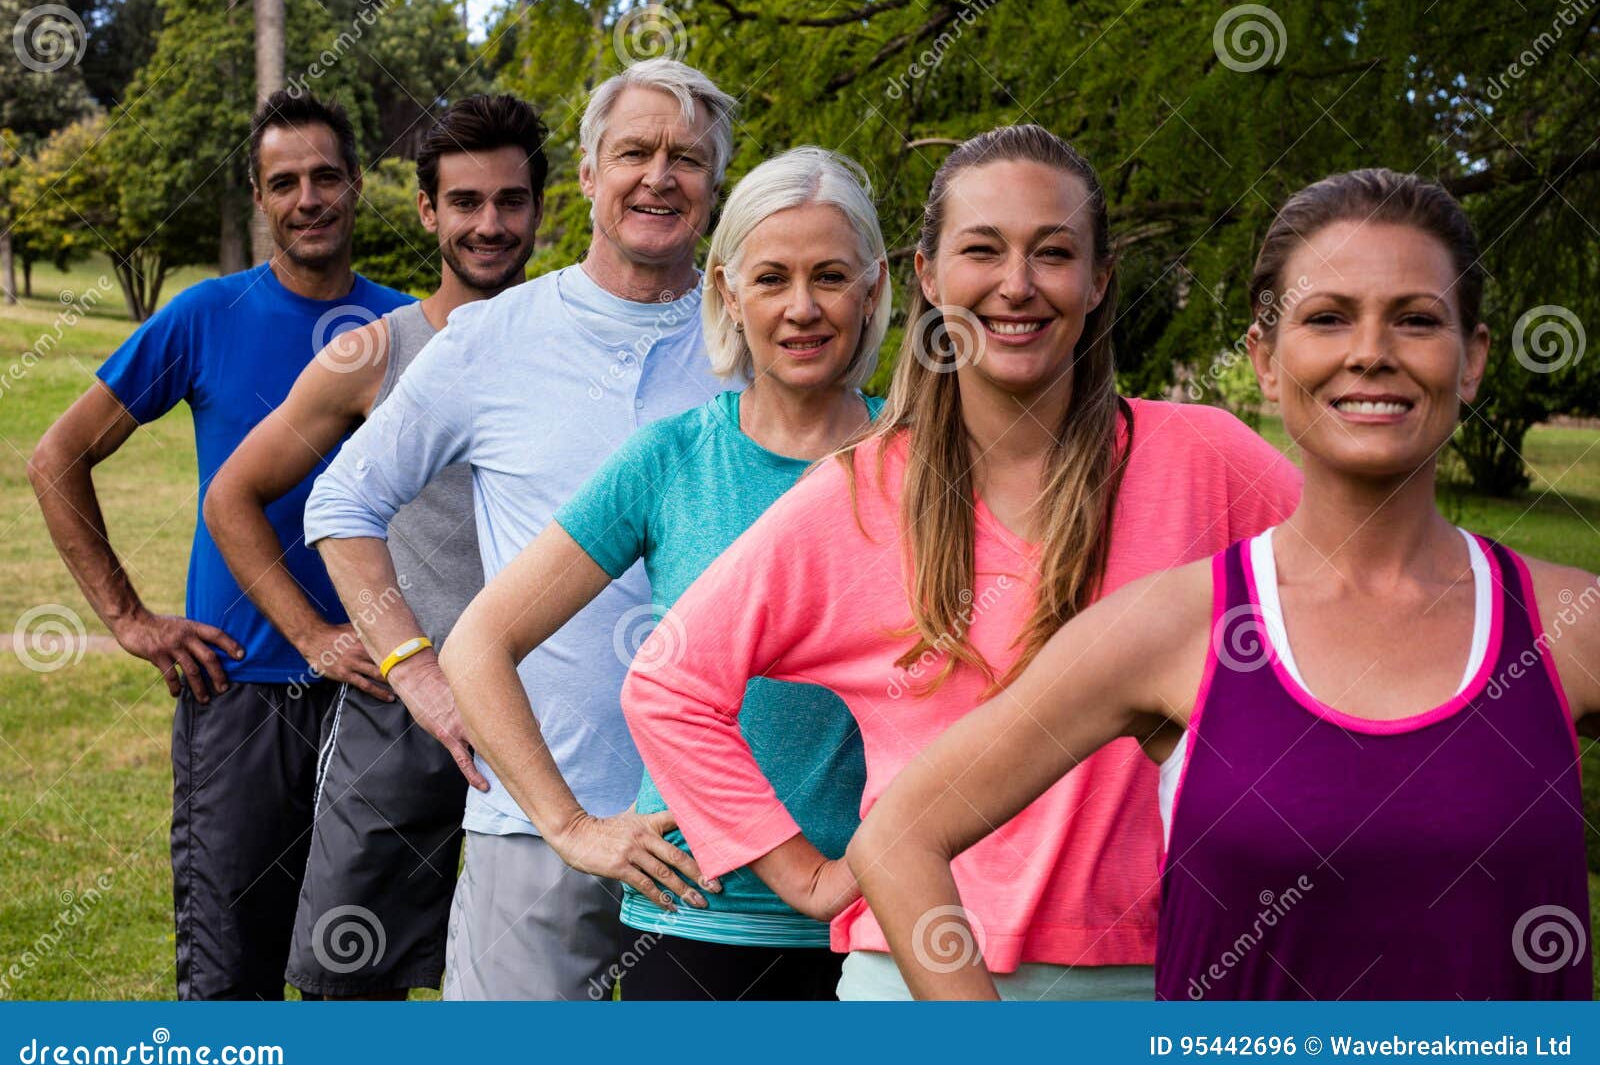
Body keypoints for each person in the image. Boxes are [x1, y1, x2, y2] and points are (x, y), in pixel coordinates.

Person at [850, 168, 1600, 1000]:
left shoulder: (1570, 625)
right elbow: (899, 836)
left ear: (1473, 359)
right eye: (1327, 318)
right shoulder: (1169, 627)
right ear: (1266, 361)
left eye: (1417, 320)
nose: (1371, 352)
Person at [620, 124, 1303, 1001]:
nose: (1017, 285)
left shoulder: (1207, 459)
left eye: (1053, 252)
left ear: (1099, 280)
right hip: (913, 974)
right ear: (929, 278)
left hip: (1159, 968)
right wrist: (812, 878)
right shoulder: (859, 494)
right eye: (983, 250)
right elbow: (669, 686)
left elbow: (1371, 607)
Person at [302, 58, 737, 1001]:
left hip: (723, 815)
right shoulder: (493, 338)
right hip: (535, 810)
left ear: (715, 186)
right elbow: (341, 505)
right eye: (634, 152)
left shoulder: (757, 338)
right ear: (586, 175)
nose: (659, 176)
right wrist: (415, 668)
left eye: (688, 159)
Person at [443, 147, 891, 1001]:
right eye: (771, 278)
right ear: (726, 291)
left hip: (881, 921)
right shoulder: (673, 458)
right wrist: (571, 826)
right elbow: (478, 642)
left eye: (830, 277)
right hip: (696, 924)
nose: (802, 308)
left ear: (871, 290)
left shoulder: (919, 458)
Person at [27, 92, 413, 1000]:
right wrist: (127, 616)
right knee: (228, 975)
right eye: (285, 182)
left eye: (326, 176)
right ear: (258, 197)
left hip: (379, 697)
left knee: (355, 982)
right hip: (239, 694)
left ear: (358, 185)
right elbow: (57, 459)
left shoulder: (407, 331)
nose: (308, 197)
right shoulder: (205, 315)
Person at [204, 95, 548, 999]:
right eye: (464, 202)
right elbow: (232, 496)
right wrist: (317, 636)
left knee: (536, 983)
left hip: (546, 708)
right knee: (342, 978)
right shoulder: (373, 354)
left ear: (541, 209)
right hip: (407, 711)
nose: (488, 224)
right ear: (428, 210)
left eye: (510, 201)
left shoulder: (569, 345)